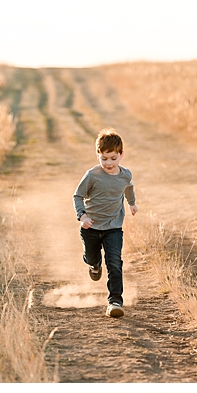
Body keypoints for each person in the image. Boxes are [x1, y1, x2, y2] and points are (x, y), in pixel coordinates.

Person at [72, 128, 138, 318]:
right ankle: (94, 265)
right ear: (98, 156)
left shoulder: (125, 175)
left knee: (115, 262)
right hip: (90, 227)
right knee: (93, 258)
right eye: (104, 159)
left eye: (113, 158)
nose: (108, 163)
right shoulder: (92, 175)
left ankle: (115, 301)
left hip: (113, 227)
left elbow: (129, 188)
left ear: (121, 155)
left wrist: (132, 203)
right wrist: (82, 216)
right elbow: (77, 196)